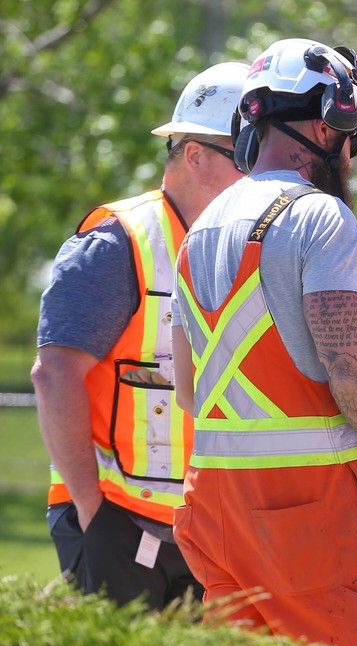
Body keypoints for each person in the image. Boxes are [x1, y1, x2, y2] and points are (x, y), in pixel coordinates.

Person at [170, 38, 357, 646]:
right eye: (351, 137)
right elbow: (349, 366)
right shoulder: (319, 216)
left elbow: (190, 390)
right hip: (309, 510)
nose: (351, 155)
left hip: (213, 505)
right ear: (329, 124)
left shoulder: (200, 229)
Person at [32, 62, 249, 609]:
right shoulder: (117, 242)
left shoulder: (249, 245)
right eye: (245, 156)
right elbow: (54, 374)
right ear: (194, 154)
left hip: (212, 528)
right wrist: (92, 512)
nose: (259, 174)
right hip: (116, 522)